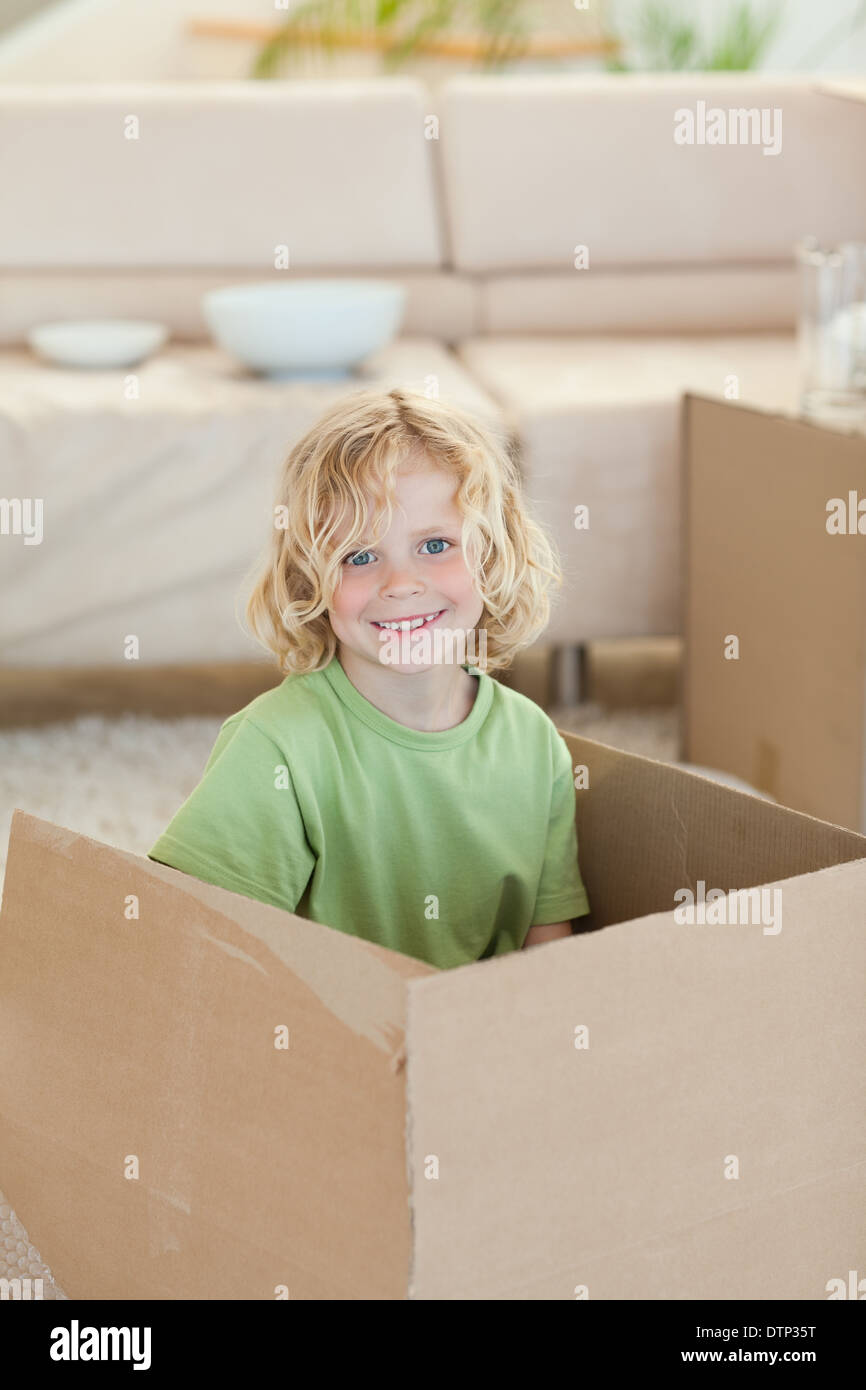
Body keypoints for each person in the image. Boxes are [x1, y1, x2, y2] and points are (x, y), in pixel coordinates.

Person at [147, 386, 590, 969]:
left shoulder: (534, 742)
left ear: (493, 556)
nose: (400, 584)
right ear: (310, 580)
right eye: (358, 556)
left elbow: (548, 951)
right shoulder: (277, 746)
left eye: (436, 544)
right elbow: (187, 941)